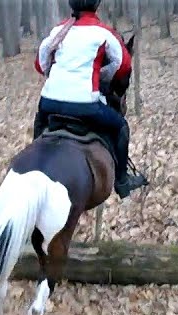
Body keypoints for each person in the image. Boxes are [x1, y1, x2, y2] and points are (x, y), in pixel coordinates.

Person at [32, 0, 148, 199]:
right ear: (97, 5)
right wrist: (103, 75)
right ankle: (122, 180)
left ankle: (36, 163)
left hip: (49, 102)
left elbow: (40, 64)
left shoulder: (59, 30)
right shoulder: (104, 33)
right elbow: (123, 66)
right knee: (121, 127)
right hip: (85, 106)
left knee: (40, 120)